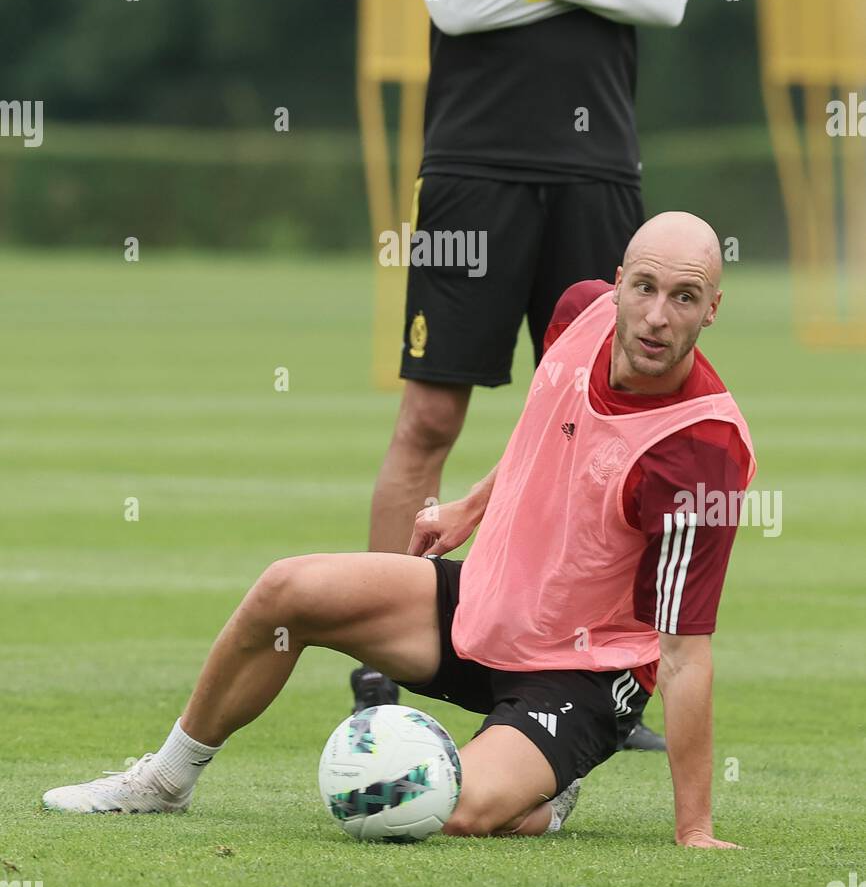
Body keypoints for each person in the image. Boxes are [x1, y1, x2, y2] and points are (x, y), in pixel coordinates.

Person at [44, 214, 755, 847]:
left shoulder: (700, 455)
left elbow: (683, 654)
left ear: (712, 310)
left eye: (684, 297)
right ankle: (165, 782)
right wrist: (469, 508)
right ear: (618, 282)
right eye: (645, 287)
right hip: (491, 600)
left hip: (583, 672)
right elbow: (552, 427)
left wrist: (694, 830)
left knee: (422, 806)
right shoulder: (578, 312)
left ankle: (548, 794)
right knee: (287, 589)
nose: (657, 316)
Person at [359, 0, 692, 752]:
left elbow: (667, 0)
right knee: (430, 414)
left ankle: (602, 673)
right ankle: (378, 661)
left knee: (608, 428)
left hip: (600, 169)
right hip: (471, 165)